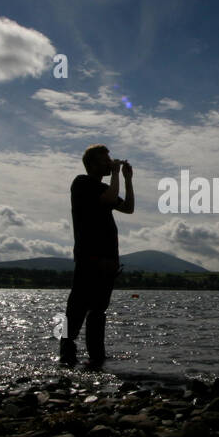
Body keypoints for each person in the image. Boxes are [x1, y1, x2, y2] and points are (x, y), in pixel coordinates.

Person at [60, 144, 133, 367]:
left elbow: (129, 208)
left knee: (98, 311)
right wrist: (115, 175)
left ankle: (96, 357)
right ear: (92, 164)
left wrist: (128, 179)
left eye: (109, 159)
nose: (109, 162)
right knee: (76, 309)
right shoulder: (82, 183)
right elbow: (110, 197)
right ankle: (66, 355)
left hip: (108, 259)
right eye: (104, 160)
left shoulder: (103, 188)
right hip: (89, 258)